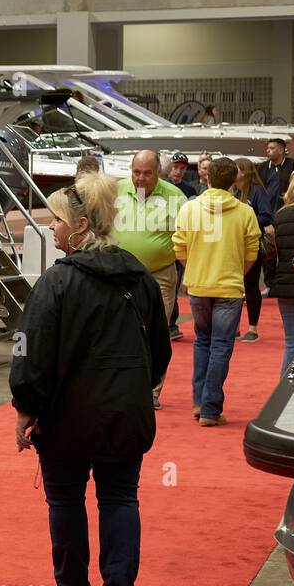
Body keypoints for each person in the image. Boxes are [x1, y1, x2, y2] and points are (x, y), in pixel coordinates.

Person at [10, 171, 171, 586]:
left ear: (80, 227)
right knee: (120, 498)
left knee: (65, 502)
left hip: (66, 422)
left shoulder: (56, 283)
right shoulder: (139, 276)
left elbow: (30, 352)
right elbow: (159, 350)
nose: (53, 228)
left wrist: (26, 408)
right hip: (124, 415)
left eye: (58, 220)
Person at [173, 156, 260, 427]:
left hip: (198, 285)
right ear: (236, 179)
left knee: (202, 341)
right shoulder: (245, 212)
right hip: (230, 287)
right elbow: (251, 254)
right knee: (221, 345)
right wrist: (234, 272)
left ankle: (200, 401)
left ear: (207, 178)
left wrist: (197, 268)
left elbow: (179, 248)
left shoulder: (189, 208)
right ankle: (210, 407)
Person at [113, 150, 186, 410]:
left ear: (158, 173)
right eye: (136, 172)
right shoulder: (117, 190)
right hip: (121, 275)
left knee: (156, 331)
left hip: (160, 275)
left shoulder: (175, 196)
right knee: (120, 330)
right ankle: (121, 386)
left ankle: (152, 390)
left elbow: (186, 235)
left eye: (147, 173)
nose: (140, 178)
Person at [268, 168, 294, 378]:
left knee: (292, 341)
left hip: (285, 284)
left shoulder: (280, 215)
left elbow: (275, 251)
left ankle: (287, 383)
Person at [233, 156, 274, 343]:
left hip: (251, 245)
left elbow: (266, 216)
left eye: (236, 169)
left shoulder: (257, 192)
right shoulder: (233, 192)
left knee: (250, 286)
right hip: (233, 245)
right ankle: (233, 326)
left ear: (243, 171)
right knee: (233, 287)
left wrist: (246, 221)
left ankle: (252, 328)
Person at [260, 138, 294, 215]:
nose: (268, 150)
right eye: (267, 148)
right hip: (265, 210)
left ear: (281, 151)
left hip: (286, 209)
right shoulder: (262, 167)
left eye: (272, 148)